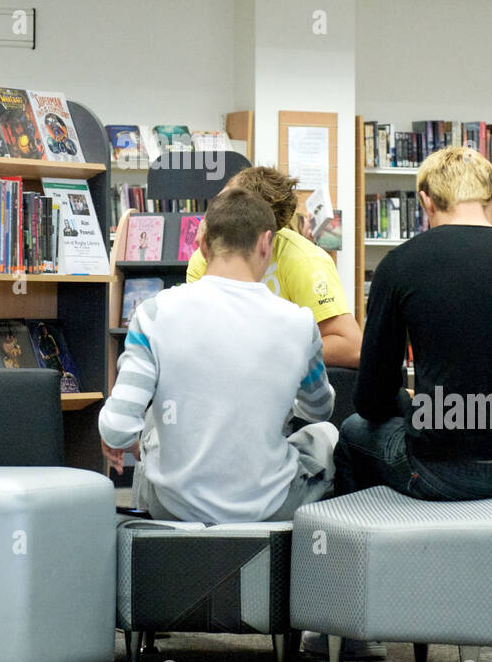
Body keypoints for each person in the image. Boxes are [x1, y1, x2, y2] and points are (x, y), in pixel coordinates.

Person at [335, 146, 492, 500]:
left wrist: (414, 403)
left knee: (355, 429)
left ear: (426, 202)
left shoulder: (400, 265)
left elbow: (372, 401)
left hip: (442, 471)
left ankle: (369, 546)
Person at [99, 187, 338, 523]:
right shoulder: (300, 323)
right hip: (268, 506)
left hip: (174, 506)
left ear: (201, 241)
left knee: (153, 427)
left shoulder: (154, 313)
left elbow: (119, 426)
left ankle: (146, 538)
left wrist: (123, 439)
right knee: (327, 436)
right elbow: (319, 409)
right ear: (265, 243)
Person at [186, 165, 362, 368]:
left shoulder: (305, 260)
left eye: (226, 202)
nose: (213, 210)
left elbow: (353, 347)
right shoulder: (202, 257)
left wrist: (269, 353)